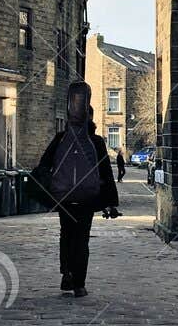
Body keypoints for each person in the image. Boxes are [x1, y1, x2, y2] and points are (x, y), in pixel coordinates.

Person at [30, 81, 119, 297]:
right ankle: (79, 283)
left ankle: (66, 273)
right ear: (91, 118)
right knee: (82, 238)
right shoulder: (96, 142)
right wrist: (110, 203)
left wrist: (48, 189)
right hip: (87, 199)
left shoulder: (61, 139)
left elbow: (44, 164)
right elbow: (106, 173)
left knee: (66, 235)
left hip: (65, 198)